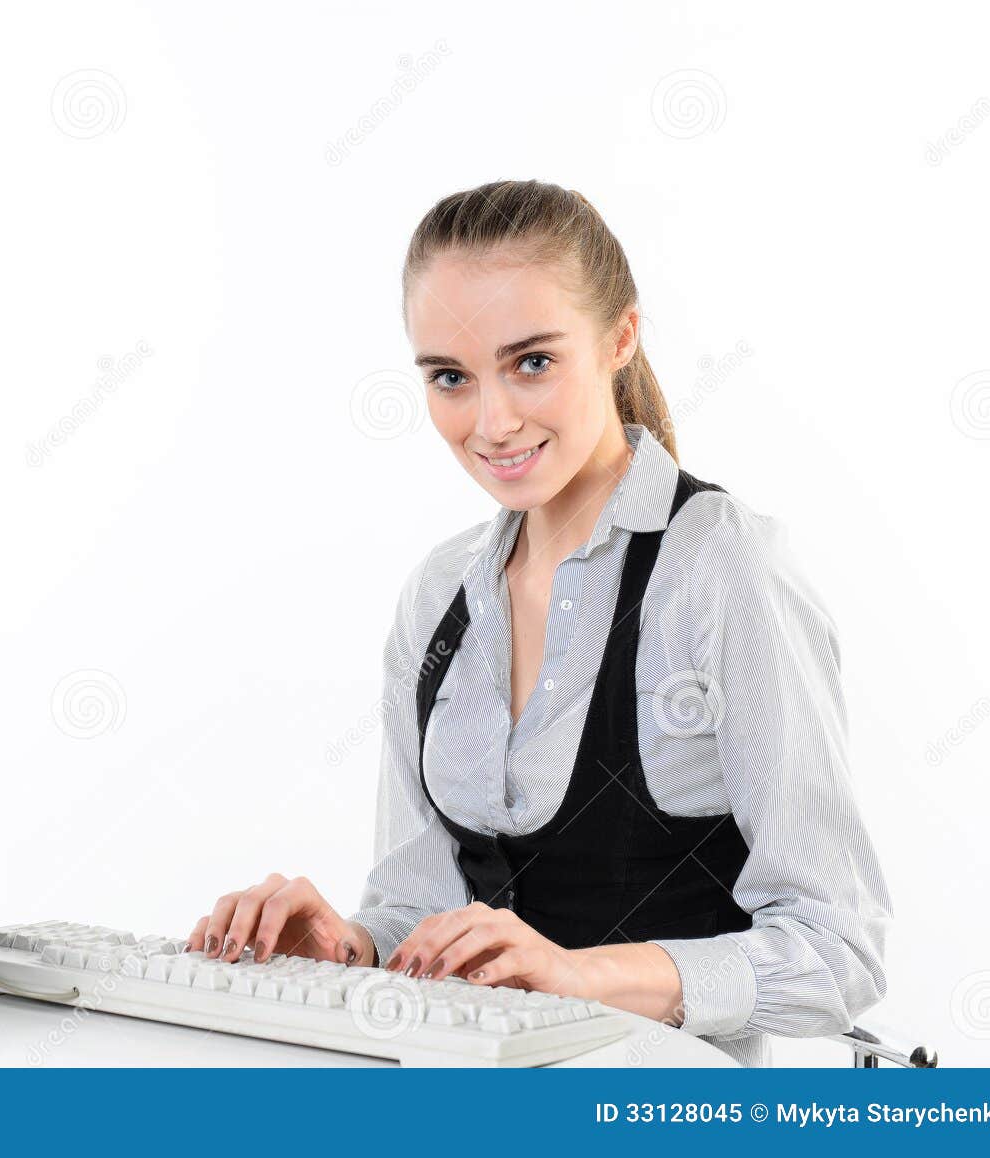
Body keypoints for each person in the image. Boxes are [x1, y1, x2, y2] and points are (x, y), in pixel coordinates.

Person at [186, 179, 891, 1066]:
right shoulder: (439, 597)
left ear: (621, 337)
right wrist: (351, 949)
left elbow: (839, 950)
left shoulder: (722, 569)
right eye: (450, 377)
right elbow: (416, 904)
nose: (492, 422)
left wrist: (584, 975)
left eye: (531, 363)